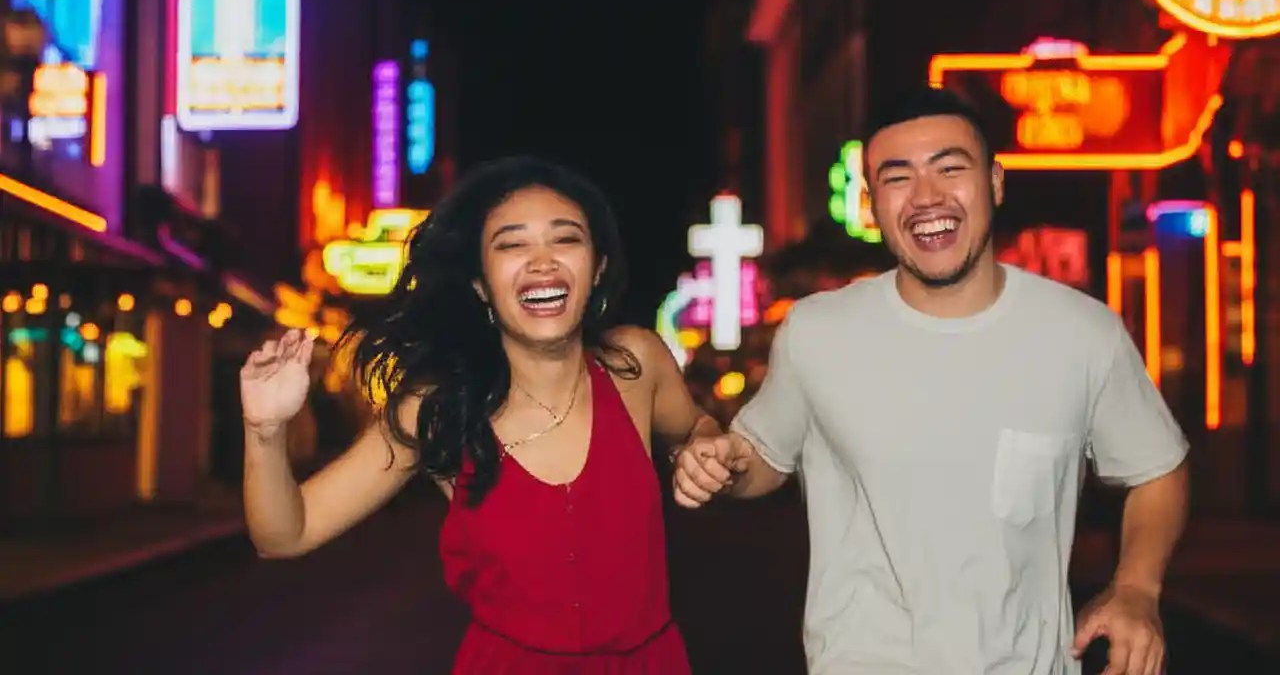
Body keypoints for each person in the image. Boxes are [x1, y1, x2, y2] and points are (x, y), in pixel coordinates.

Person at [673, 88, 1190, 675]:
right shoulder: (819, 331)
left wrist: (1137, 589)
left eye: (950, 168)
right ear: (871, 203)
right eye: (898, 178)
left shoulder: (1079, 332)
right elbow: (763, 454)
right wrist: (724, 464)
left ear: (995, 182)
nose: (926, 197)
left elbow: (1156, 467)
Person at [241, 156, 715, 673]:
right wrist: (264, 431)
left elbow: (696, 429)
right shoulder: (438, 405)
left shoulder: (635, 364)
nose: (542, 262)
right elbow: (285, 534)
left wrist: (706, 444)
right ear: (481, 285)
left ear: (597, 267)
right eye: (512, 244)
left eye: (565, 239)